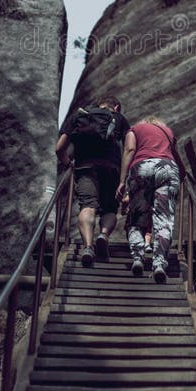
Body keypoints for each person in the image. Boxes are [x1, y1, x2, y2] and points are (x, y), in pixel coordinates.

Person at [56, 96, 129, 266]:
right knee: (109, 208)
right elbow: (128, 148)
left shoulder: (79, 116)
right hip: (111, 168)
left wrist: (68, 163)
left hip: (84, 167)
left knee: (87, 205)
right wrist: (124, 178)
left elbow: (59, 148)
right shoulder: (119, 118)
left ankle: (88, 246)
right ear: (116, 107)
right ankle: (103, 235)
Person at [117, 115, 185, 283]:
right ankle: (160, 263)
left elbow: (130, 150)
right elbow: (175, 155)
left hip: (142, 168)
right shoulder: (167, 132)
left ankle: (138, 258)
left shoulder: (135, 130)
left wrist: (122, 181)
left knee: (136, 218)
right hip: (167, 169)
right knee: (164, 219)